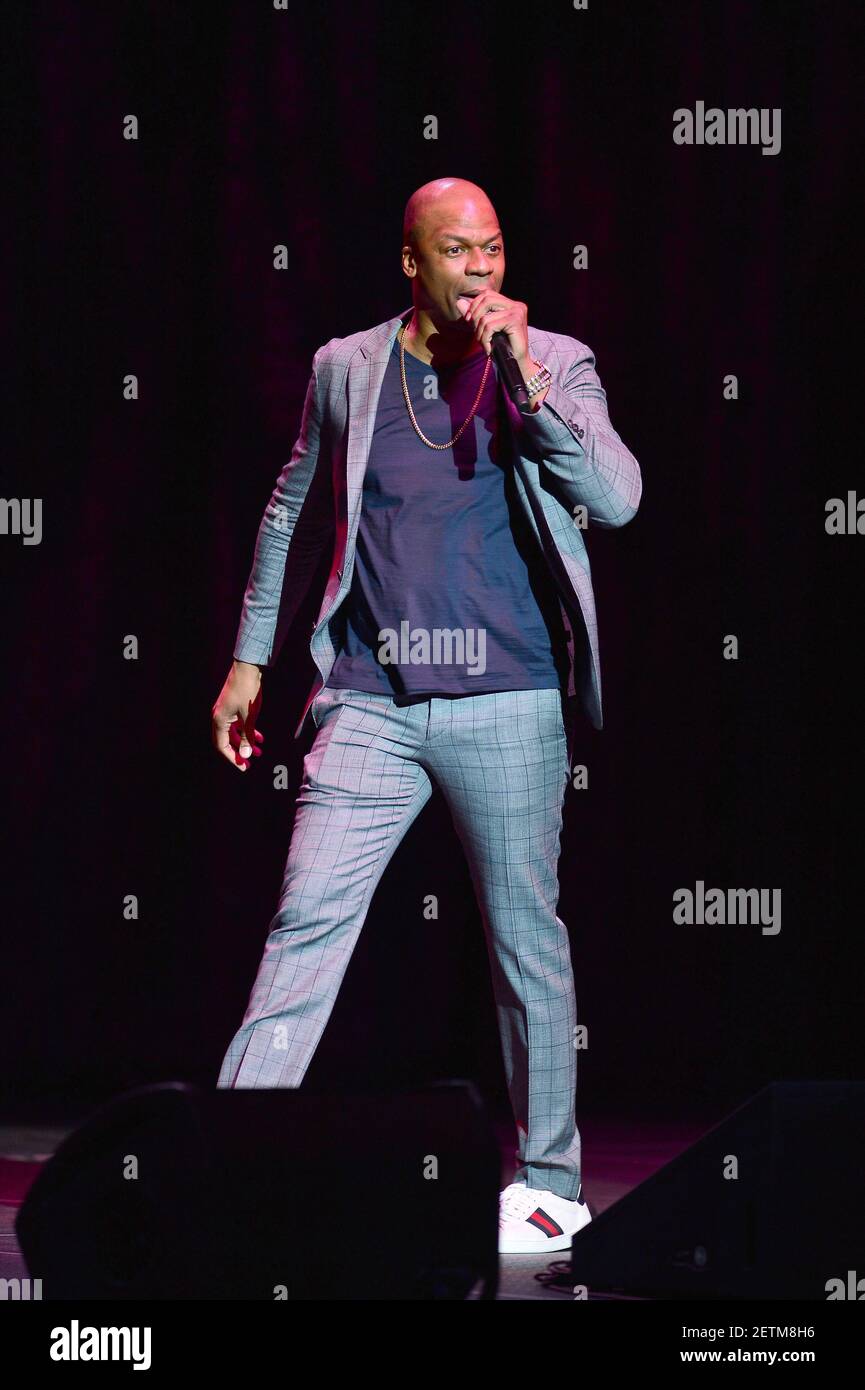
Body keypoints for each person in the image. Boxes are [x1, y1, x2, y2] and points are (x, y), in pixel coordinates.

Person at [211, 177, 641, 1253]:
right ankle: (218, 1154)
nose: (481, 271)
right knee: (304, 919)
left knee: (524, 942)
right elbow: (290, 507)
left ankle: (549, 1181)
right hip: (369, 702)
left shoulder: (558, 363)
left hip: (510, 699)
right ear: (413, 262)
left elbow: (619, 495)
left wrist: (523, 375)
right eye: (458, 252)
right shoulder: (346, 368)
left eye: (493, 250)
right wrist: (248, 660)